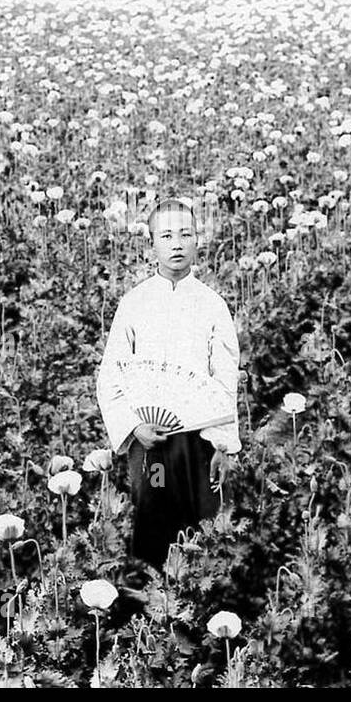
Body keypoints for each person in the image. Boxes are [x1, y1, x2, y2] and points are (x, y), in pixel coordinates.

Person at [96, 198, 241, 569]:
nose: (176, 244)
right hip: (151, 442)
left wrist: (223, 446)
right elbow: (111, 373)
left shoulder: (212, 305)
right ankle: (153, 605)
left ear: (197, 241)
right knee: (153, 518)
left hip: (199, 441)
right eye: (166, 236)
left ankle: (197, 605)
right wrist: (133, 426)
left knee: (202, 527)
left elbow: (224, 379)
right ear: (152, 245)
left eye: (185, 234)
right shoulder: (135, 303)